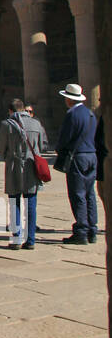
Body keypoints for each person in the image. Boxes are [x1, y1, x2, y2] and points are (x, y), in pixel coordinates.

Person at [0, 99, 47, 249]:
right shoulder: (36, 123)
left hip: (14, 165)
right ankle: (31, 240)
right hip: (32, 166)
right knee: (31, 203)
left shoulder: (6, 125)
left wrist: (9, 157)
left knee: (15, 203)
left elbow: (1, 148)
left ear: (11, 111)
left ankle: (17, 238)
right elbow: (42, 145)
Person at [55, 82, 98, 245]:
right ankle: (92, 229)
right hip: (91, 155)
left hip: (77, 156)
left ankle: (81, 230)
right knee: (90, 194)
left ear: (69, 99)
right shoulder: (90, 114)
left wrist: (60, 150)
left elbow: (65, 138)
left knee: (78, 194)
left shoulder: (72, 115)